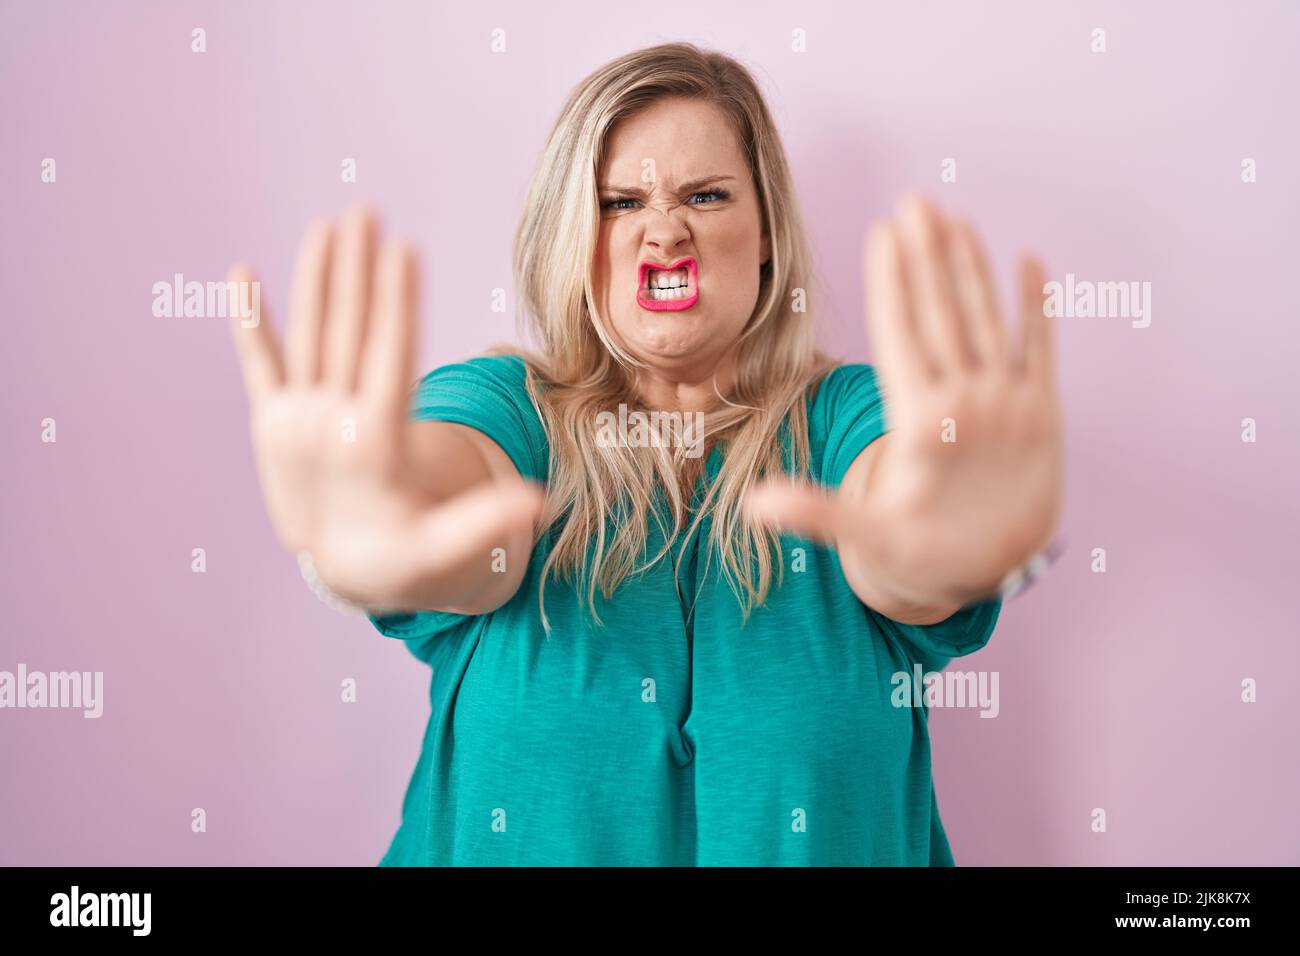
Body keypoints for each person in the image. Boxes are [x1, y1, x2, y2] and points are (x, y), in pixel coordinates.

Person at [226, 42, 1062, 866]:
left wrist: (941, 547)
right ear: (574, 235)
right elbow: (445, 484)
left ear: (767, 232)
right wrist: (383, 525)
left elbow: (900, 512)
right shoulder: (505, 410)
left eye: (706, 194)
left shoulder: (850, 419)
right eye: (620, 202)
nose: (664, 231)